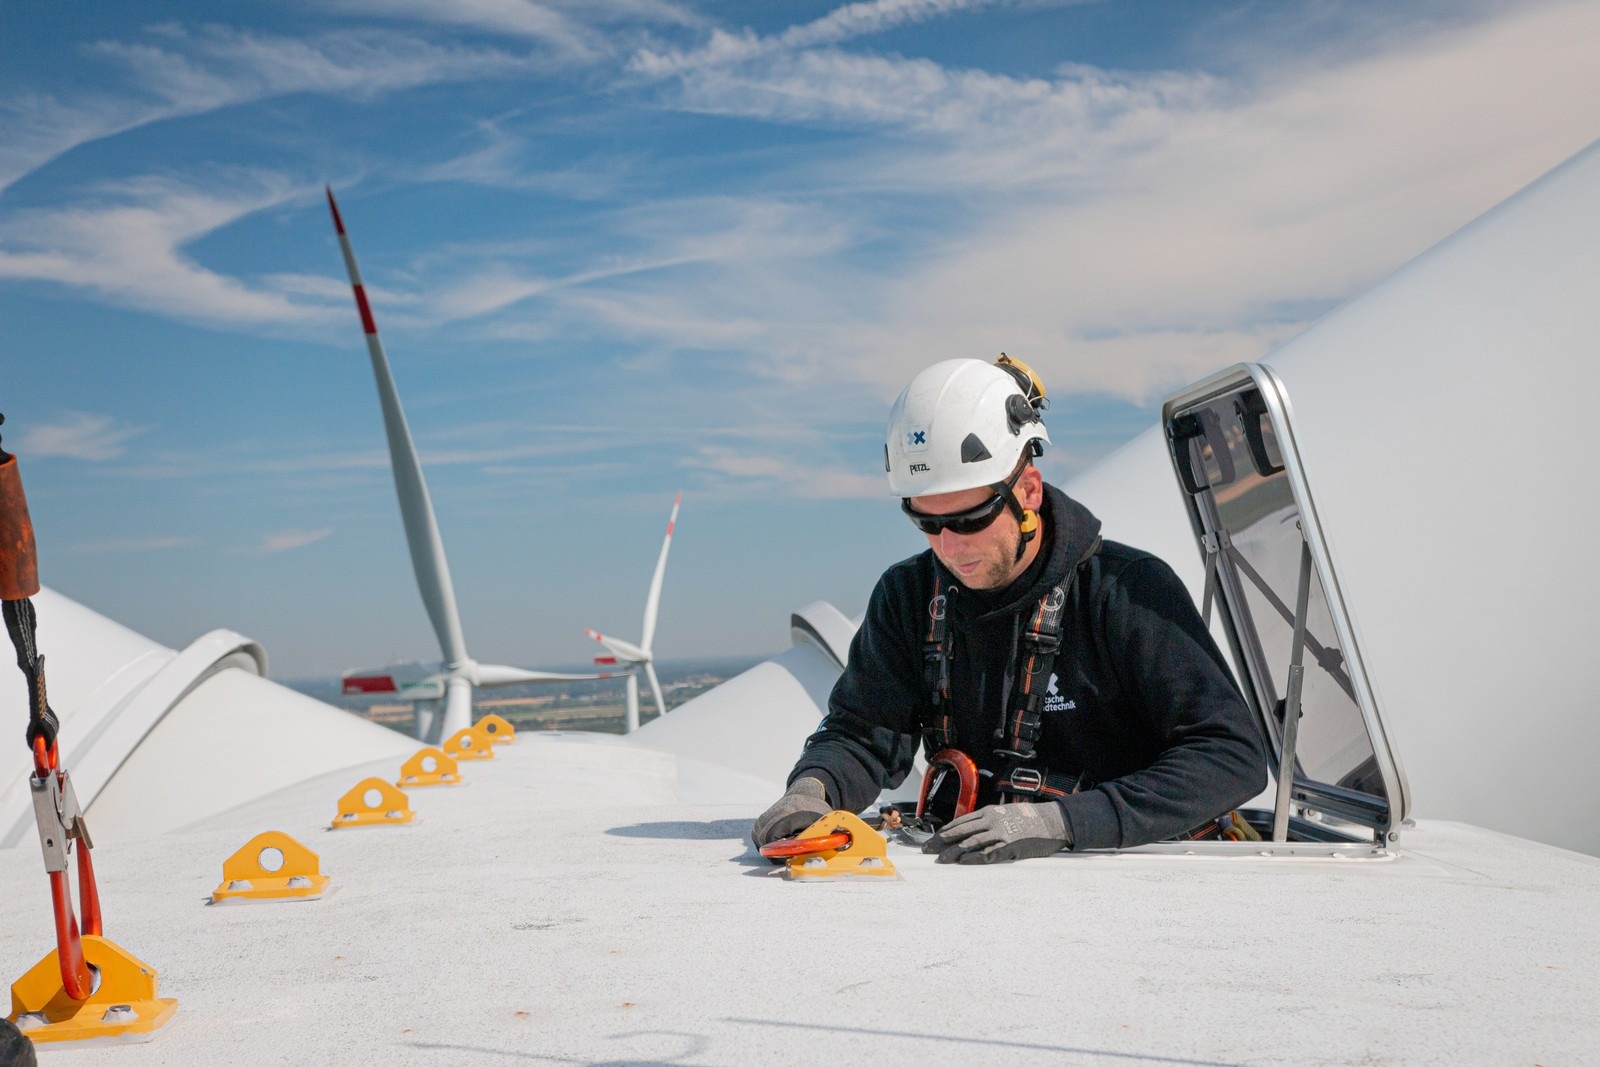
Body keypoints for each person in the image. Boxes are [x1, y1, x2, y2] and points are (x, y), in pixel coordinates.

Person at [752, 356, 1267, 863]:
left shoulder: (1126, 592)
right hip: (982, 888)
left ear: (1027, 490)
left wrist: (1067, 823)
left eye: (971, 519)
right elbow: (863, 734)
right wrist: (814, 788)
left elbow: (1229, 755)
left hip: (1133, 883)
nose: (949, 548)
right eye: (927, 524)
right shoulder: (908, 597)